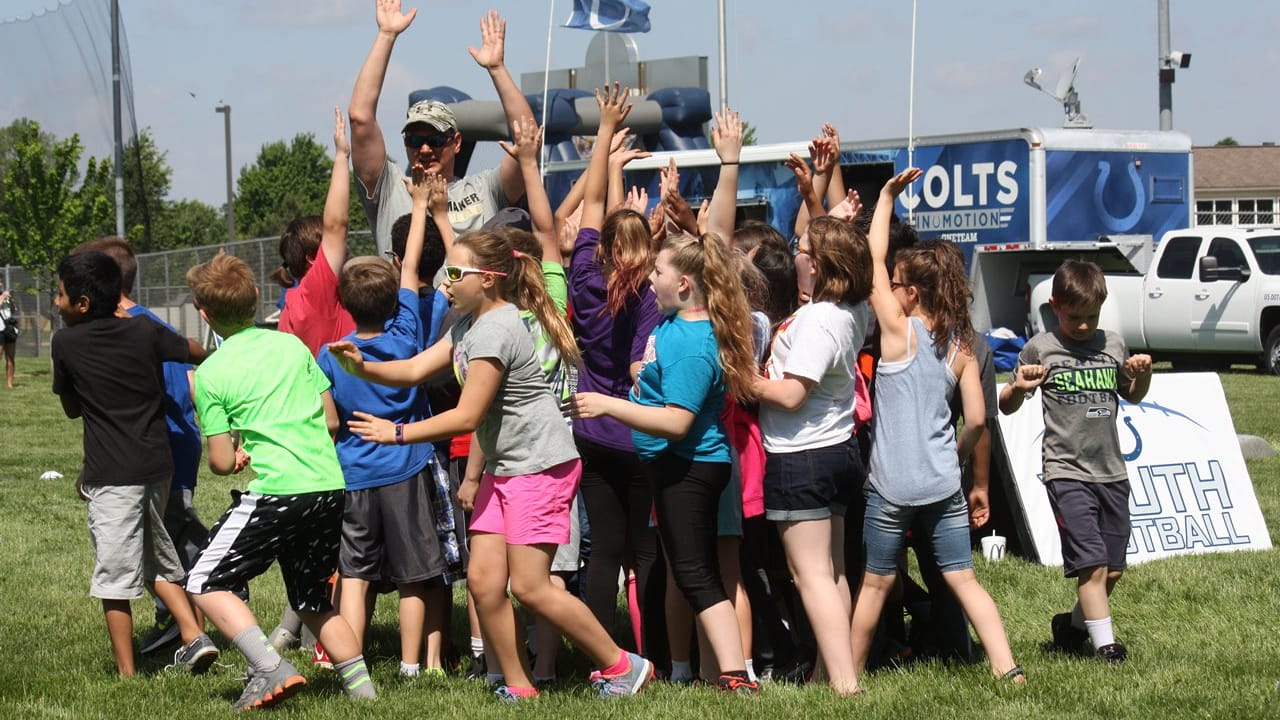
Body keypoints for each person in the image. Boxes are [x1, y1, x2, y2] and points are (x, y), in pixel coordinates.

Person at [329, 230, 654, 702]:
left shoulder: (497, 329)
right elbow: (416, 369)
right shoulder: (467, 325)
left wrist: (396, 433)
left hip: (539, 466)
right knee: (483, 582)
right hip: (506, 468)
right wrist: (363, 367)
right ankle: (519, 686)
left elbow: (466, 417)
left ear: (488, 279)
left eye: (454, 274)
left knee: (531, 586)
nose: (445, 283)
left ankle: (623, 666)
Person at [849, 168, 1023, 692]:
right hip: (943, 484)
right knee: (964, 579)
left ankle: (847, 680)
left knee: (876, 584)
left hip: (891, 487)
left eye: (895, 286)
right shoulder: (962, 345)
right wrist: (957, 456)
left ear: (910, 294)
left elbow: (872, 258)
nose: (888, 289)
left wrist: (885, 198)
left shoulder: (896, 333)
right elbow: (977, 420)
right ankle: (1008, 669)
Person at [570, 229, 761, 694]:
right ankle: (717, 673)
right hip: (672, 466)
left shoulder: (691, 343)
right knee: (694, 571)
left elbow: (677, 422)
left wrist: (609, 405)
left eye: (657, 271)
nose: (649, 278)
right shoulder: (671, 325)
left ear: (684, 285)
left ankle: (736, 676)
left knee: (696, 574)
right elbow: (655, 379)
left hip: (690, 467)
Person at [183, 253, 376, 711]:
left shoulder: (210, 373)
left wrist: (237, 457)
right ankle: (365, 696)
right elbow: (331, 420)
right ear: (255, 296)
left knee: (204, 579)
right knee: (312, 599)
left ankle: (270, 667)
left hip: (278, 491)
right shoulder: (292, 347)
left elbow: (219, 461)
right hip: (328, 486)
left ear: (203, 313)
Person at [50, 251, 216, 678]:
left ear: (83, 303)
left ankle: (126, 673)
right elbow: (195, 351)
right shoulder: (144, 329)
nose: (56, 302)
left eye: (61, 295)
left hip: (113, 475)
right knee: (155, 556)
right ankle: (193, 635)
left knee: (115, 576)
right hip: (158, 468)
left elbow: (71, 408)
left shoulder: (66, 343)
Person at [317, 168, 454, 678]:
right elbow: (411, 266)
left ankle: (350, 664)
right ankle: (409, 665)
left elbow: (329, 419)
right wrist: (418, 206)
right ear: (395, 299)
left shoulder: (331, 354)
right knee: (415, 574)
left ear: (344, 304)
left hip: (353, 475)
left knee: (354, 574)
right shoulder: (406, 334)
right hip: (406, 468)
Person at [999, 258, 1152, 663]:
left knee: (1112, 569)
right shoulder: (1040, 348)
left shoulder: (1113, 344)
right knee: (1093, 565)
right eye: (1074, 317)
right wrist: (1020, 386)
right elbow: (1006, 404)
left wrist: (1143, 374)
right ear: (1054, 306)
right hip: (1066, 471)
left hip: (1112, 471)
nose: (1083, 325)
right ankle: (1106, 647)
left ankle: (1071, 629)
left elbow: (1132, 394)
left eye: (1092, 317)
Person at [752, 215, 871, 696]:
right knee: (832, 571)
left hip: (803, 455)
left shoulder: (821, 320)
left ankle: (844, 684)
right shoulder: (850, 309)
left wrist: (743, 379)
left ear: (818, 265)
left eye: (801, 251)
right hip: (835, 449)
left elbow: (791, 394)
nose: (796, 257)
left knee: (812, 575)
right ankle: (829, 673)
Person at [567, 84, 665, 659]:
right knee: (645, 549)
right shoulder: (650, 300)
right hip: (637, 433)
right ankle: (651, 650)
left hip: (590, 430)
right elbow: (643, 366)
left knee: (603, 549)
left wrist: (603, 131)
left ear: (601, 246)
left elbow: (591, 205)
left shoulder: (583, 277)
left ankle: (605, 657)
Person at [349, 1, 534, 254]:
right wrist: (386, 35)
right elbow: (360, 119)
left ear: (456, 142)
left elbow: (528, 140)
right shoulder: (390, 188)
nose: (425, 149)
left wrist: (497, 69)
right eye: (415, 140)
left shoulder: (484, 188)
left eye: (435, 140)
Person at [275, 107, 357, 358]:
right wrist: (342, 156)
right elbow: (336, 224)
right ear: (312, 258)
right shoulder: (315, 291)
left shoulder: (291, 307)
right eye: (331, 245)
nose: (344, 249)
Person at [1, 278, 17, 388]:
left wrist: (10, 300)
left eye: (1, 281)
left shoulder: (6, 295)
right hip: (0, 329)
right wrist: (2, 298)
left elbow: (13, 310)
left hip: (9, 328)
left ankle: (9, 383)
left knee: (10, 357)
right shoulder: (3, 296)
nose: (0, 284)